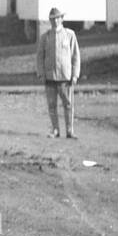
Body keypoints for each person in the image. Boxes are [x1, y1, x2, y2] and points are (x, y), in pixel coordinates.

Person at [34, 7, 80, 139]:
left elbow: (76, 56)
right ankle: (55, 130)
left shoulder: (69, 34)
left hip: (65, 77)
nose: (55, 21)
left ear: (62, 19)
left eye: (58, 18)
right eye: (52, 19)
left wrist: (75, 74)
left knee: (68, 104)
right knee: (52, 105)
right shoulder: (45, 37)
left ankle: (70, 131)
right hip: (50, 77)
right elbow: (39, 56)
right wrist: (41, 73)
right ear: (49, 20)